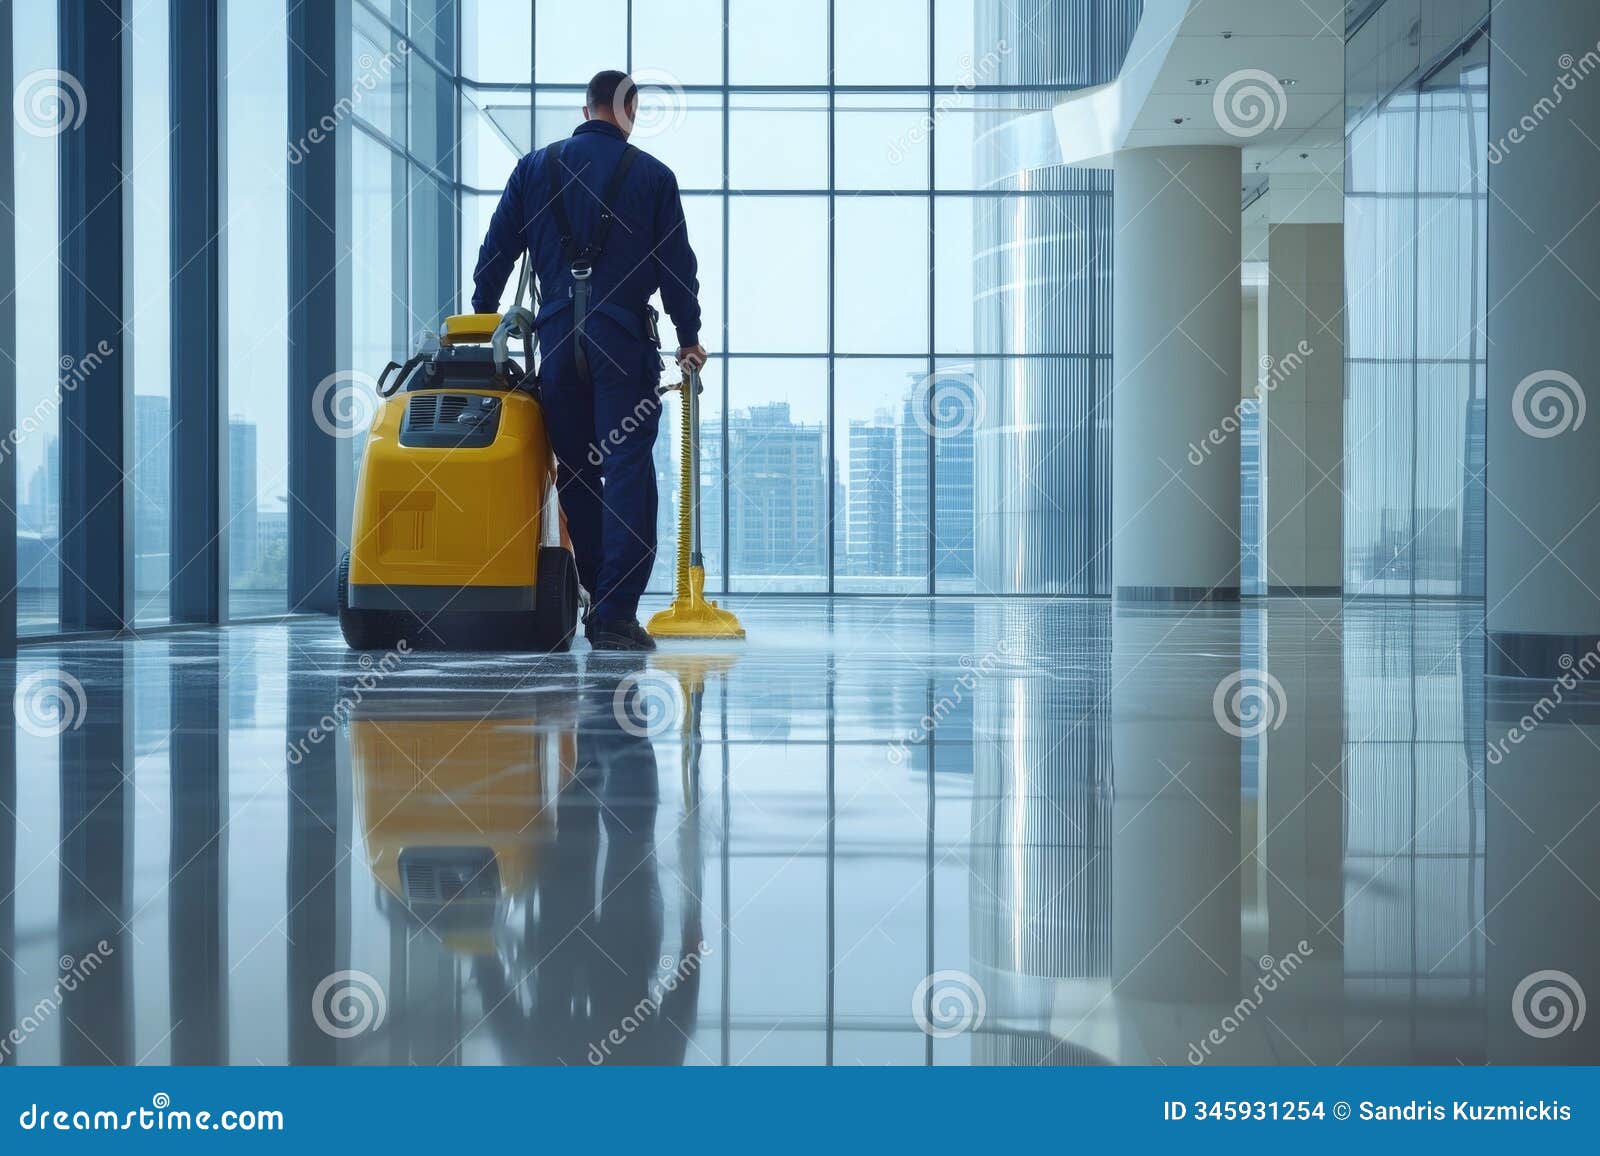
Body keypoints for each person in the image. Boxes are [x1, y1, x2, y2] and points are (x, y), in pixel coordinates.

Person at [472, 69, 707, 652]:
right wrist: (688, 335)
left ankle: (598, 593)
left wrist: (483, 315)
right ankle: (615, 613)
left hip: (556, 343)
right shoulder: (653, 177)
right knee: (627, 471)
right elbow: (678, 267)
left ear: (586, 107)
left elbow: (497, 250)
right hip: (621, 343)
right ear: (629, 111)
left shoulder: (535, 168)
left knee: (576, 470)